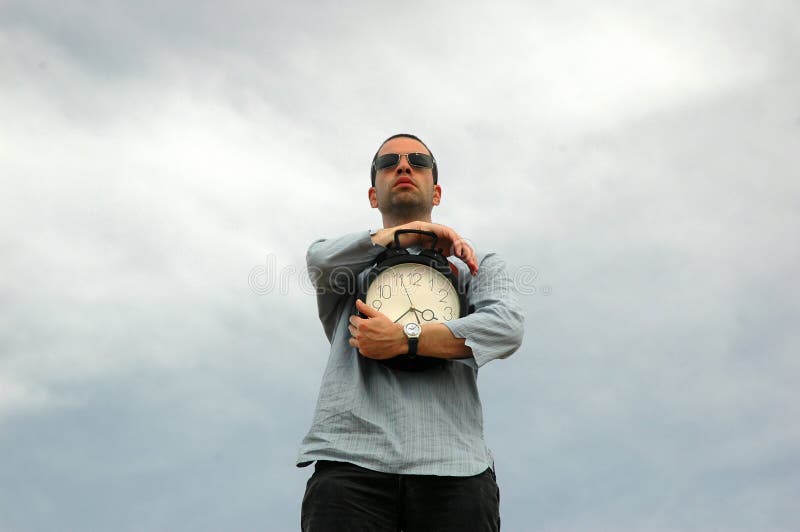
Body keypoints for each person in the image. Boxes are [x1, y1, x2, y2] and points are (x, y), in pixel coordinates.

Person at [297, 133, 525, 531]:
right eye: (389, 163)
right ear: (373, 196)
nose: (403, 167)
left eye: (417, 161)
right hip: (350, 463)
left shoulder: (475, 264)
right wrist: (409, 234)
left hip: (455, 468)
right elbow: (318, 258)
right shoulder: (348, 269)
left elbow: (505, 327)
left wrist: (407, 339)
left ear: (436, 192)